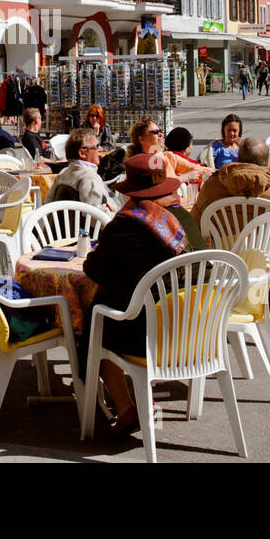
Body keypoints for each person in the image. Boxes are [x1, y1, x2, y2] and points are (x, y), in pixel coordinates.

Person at [81, 152, 193, 434]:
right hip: (191, 328)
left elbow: (94, 270)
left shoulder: (123, 226)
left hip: (146, 335)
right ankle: (143, 396)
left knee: (93, 321)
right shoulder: (181, 220)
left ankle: (127, 405)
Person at [191, 137, 270, 263]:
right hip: (266, 262)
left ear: (238, 158)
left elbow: (194, 225)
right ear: (266, 163)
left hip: (222, 260)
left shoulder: (211, 187)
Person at [48, 129, 117, 210]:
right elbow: (96, 216)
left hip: (61, 222)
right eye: (97, 146)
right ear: (82, 153)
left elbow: (48, 202)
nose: (101, 149)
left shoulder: (63, 173)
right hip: (92, 222)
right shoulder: (89, 178)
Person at [127, 119, 208, 185]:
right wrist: (184, 177)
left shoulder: (168, 156)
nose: (161, 135)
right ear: (142, 139)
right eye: (155, 132)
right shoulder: (138, 164)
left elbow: (195, 168)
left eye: (160, 131)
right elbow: (156, 188)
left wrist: (216, 173)